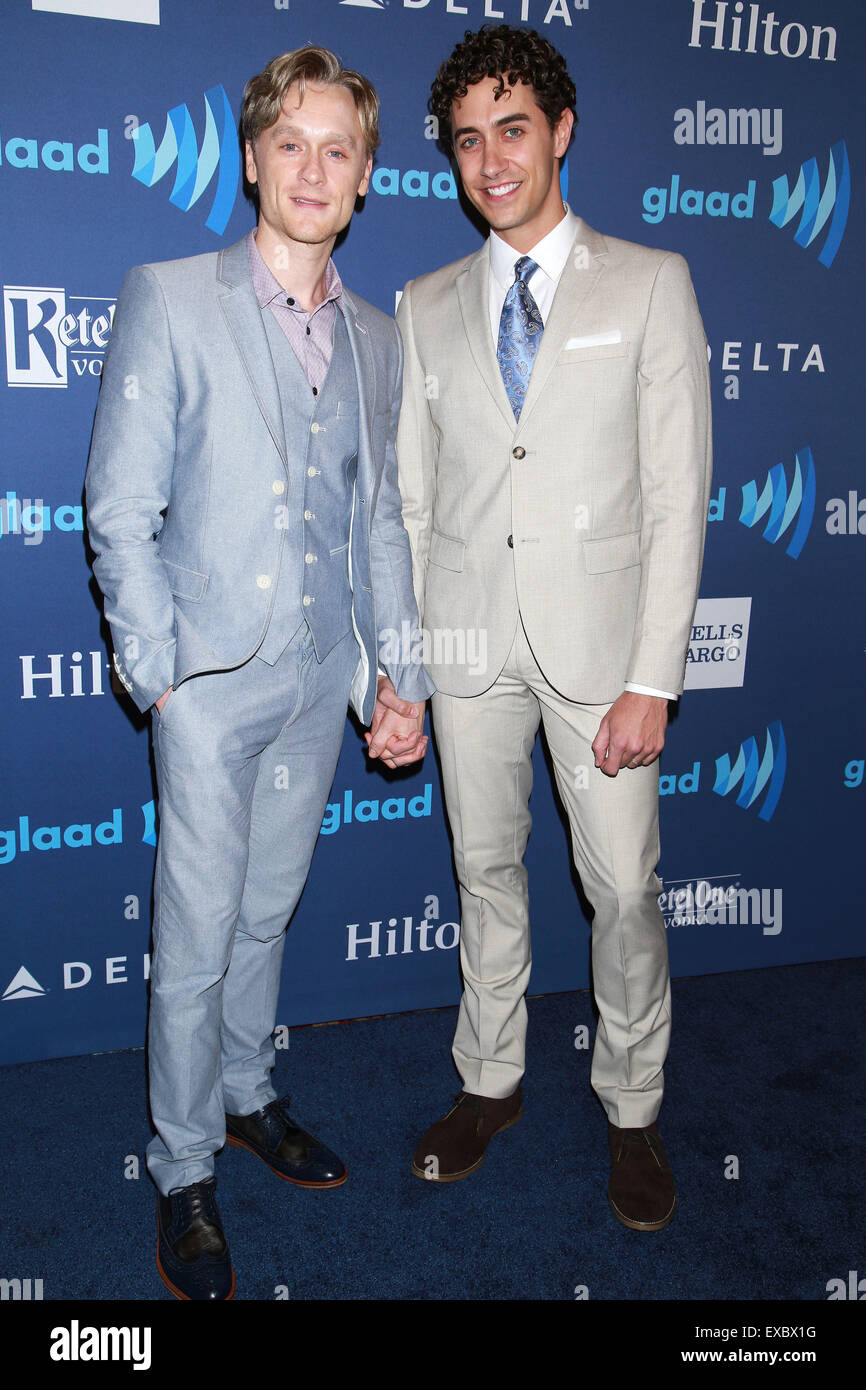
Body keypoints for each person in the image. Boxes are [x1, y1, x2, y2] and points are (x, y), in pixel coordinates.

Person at [86, 45, 432, 1300]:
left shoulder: (380, 338)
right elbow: (119, 509)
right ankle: (181, 1166)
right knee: (190, 935)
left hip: (317, 684)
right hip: (209, 688)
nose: (312, 167)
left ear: (364, 180)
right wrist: (159, 678)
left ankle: (244, 1094)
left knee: (267, 911)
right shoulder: (169, 296)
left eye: (338, 149)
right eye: (291, 142)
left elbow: (379, 519)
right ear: (250, 160)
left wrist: (400, 674)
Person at [396, 24, 712, 1230]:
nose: (490, 159)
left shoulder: (648, 281)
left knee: (621, 890)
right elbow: (417, 503)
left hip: (602, 658)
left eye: (511, 129)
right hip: (469, 643)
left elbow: (678, 494)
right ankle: (490, 1079)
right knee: (482, 872)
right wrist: (417, 664)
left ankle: (632, 1104)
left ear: (560, 131)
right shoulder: (423, 303)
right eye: (467, 139)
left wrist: (652, 676)